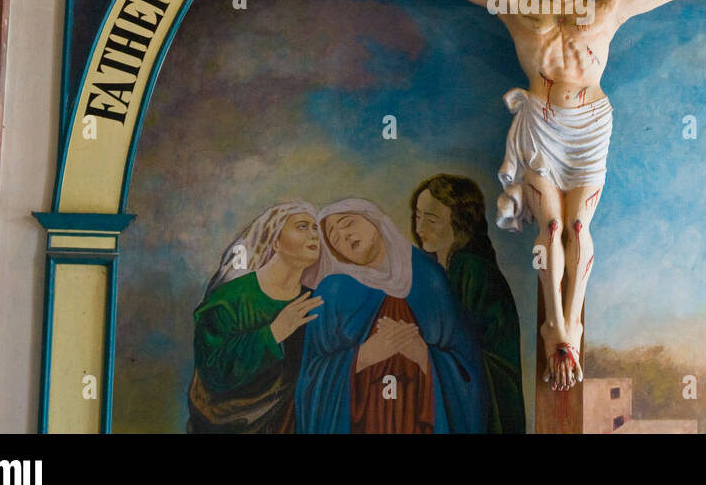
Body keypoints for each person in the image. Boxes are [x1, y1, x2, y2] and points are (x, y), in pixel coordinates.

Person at [358, 0, 706, 391]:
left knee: (578, 226)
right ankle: (554, 326)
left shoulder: (609, 6)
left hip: (590, 127)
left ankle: (571, 328)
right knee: (552, 227)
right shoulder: (515, 3)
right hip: (541, 125)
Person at [296, 198, 487, 433]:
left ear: (373, 219)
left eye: (348, 223)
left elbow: (467, 366)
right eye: (335, 240)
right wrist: (364, 356)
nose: (344, 236)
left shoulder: (429, 277)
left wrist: (424, 356)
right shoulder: (333, 291)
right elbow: (311, 379)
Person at [189, 200, 324, 433]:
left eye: (315, 229)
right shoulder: (231, 297)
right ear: (275, 241)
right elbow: (212, 369)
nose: (313, 235)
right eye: (302, 227)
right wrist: (273, 333)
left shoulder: (315, 301)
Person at [410, 174, 526, 434]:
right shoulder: (437, 271)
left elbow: (471, 350)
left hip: (481, 405)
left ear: (459, 223)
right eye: (418, 217)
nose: (420, 229)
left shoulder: (470, 268)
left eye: (431, 219)